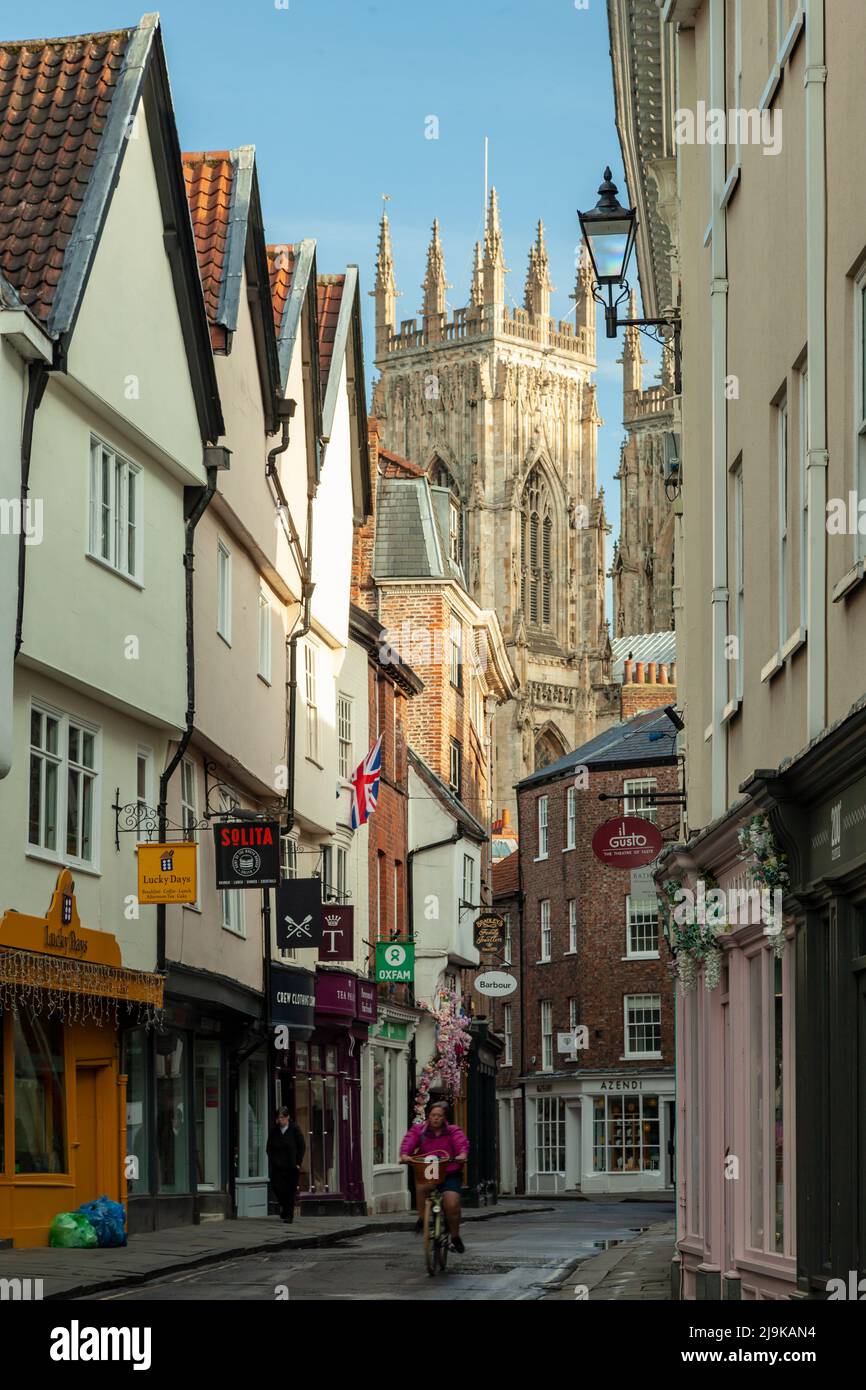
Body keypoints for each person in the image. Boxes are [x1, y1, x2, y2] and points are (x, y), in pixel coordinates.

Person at [399, 1101, 469, 1253]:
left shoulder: (452, 1131)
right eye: (433, 1115)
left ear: (445, 1118)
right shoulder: (420, 1130)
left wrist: (462, 1154)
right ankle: (422, 1219)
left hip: (449, 1171)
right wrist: (405, 1155)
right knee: (422, 1186)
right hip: (430, 1170)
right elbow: (409, 1141)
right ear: (428, 1116)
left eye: (439, 1116)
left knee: (451, 1204)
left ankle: (455, 1236)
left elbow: (461, 1143)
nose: (436, 1118)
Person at [266, 1106, 306, 1223]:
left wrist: (298, 1163)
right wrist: (273, 1160)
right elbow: (269, 1148)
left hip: (291, 1166)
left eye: (282, 1118)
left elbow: (301, 1146)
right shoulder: (274, 1131)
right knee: (277, 1187)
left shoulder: (294, 1129)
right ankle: (284, 1207)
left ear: (288, 1117)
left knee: (290, 1191)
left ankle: (289, 1215)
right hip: (278, 1166)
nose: (280, 1120)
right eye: (278, 1118)